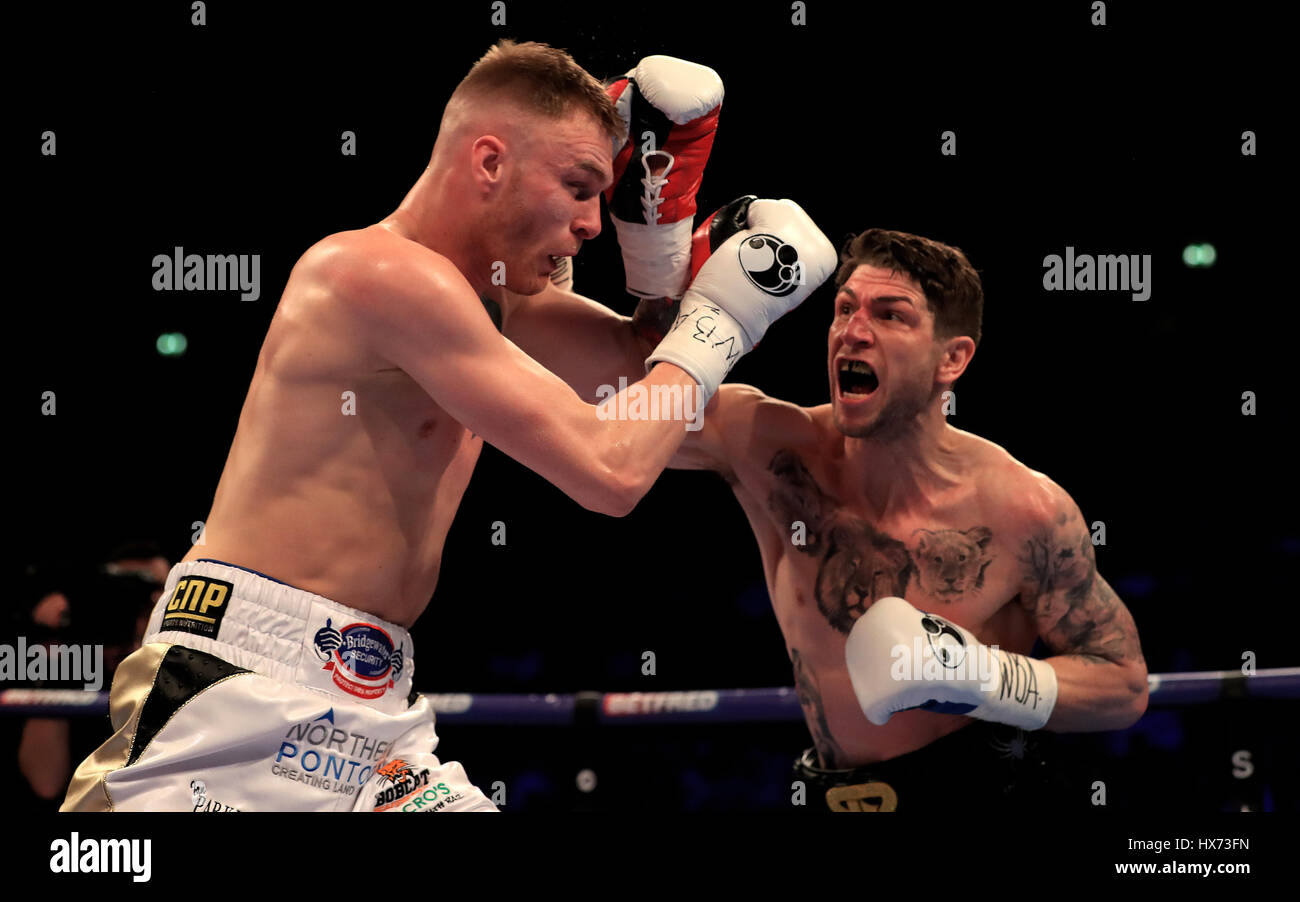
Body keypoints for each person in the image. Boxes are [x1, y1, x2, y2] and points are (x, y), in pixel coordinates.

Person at [61, 41, 836, 812]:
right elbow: (611, 471)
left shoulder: (494, 307)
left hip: (375, 710)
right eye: (576, 187)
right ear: (490, 161)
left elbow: (644, 388)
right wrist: (721, 319)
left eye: (601, 196)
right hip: (236, 692)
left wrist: (665, 247)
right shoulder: (376, 273)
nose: (592, 224)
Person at [626, 220, 1149, 810]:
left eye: (889, 315)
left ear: (952, 358)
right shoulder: (768, 447)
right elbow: (609, 404)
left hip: (980, 793)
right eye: (844, 308)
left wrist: (979, 678)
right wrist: (663, 271)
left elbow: (1122, 684)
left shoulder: (1023, 508)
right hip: (824, 791)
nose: (852, 332)